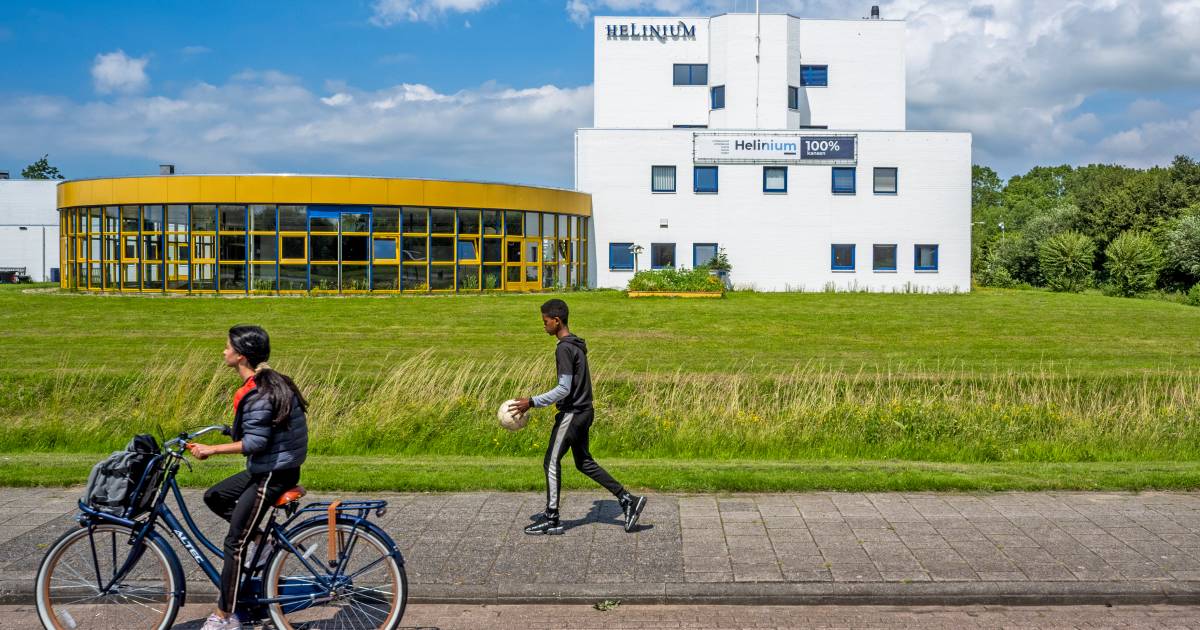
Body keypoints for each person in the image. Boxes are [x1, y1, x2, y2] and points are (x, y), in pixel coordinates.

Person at [189, 325, 309, 630]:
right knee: (215, 497)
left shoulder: (259, 391)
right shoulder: (266, 383)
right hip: (270, 468)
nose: (223, 350)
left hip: (272, 474)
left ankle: (224, 616)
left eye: (227, 346)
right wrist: (229, 431)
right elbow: (262, 429)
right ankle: (263, 541)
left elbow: (257, 442)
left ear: (241, 355)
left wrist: (212, 450)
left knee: (235, 543)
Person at [510, 298, 646, 535]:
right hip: (586, 411)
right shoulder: (576, 345)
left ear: (556, 320)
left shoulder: (564, 347)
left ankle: (551, 518)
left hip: (573, 413)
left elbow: (564, 389)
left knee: (551, 462)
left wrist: (531, 402)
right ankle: (628, 500)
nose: (543, 326)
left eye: (545, 322)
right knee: (583, 463)